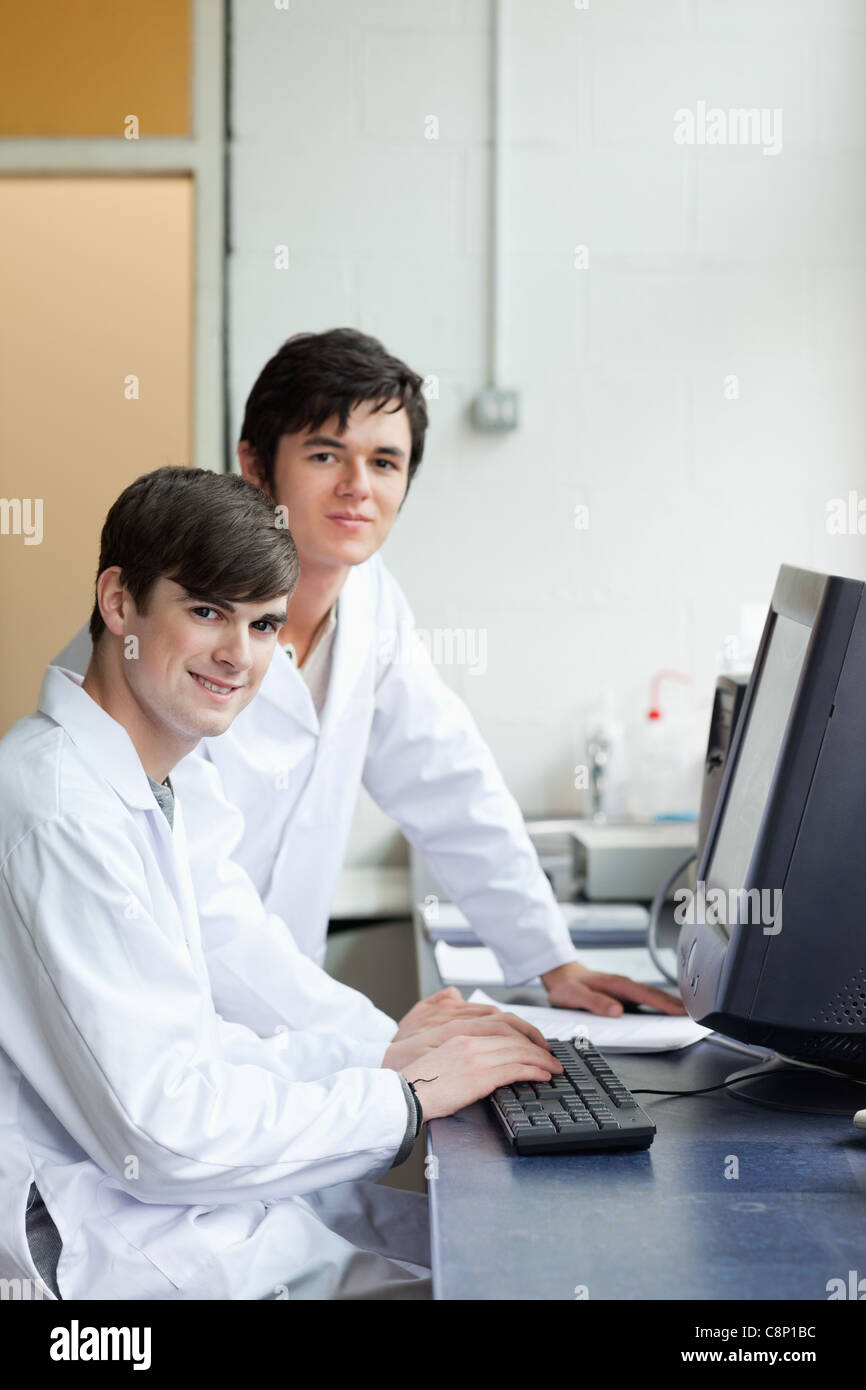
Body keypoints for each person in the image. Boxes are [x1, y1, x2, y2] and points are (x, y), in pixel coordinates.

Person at [0, 467, 560, 1301]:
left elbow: (193, 1044)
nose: (239, 654)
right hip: (105, 1253)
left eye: (264, 624)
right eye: (206, 612)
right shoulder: (61, 811)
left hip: (180, 1219)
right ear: (119, 604)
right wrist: (402, 1100)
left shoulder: (143, 782)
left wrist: (378, 1056)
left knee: (503, 1261)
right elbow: (162, 1132)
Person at [56, 329, 685, 1016]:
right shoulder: (167, 635)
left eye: (385, 462)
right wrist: (375, 1045)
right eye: (326, 454)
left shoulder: (372, 602)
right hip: (160, 1008)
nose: (358, 487)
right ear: (256, 466)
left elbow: (451, 784)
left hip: (275, 1013)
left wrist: (550, 960)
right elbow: (203, 888)